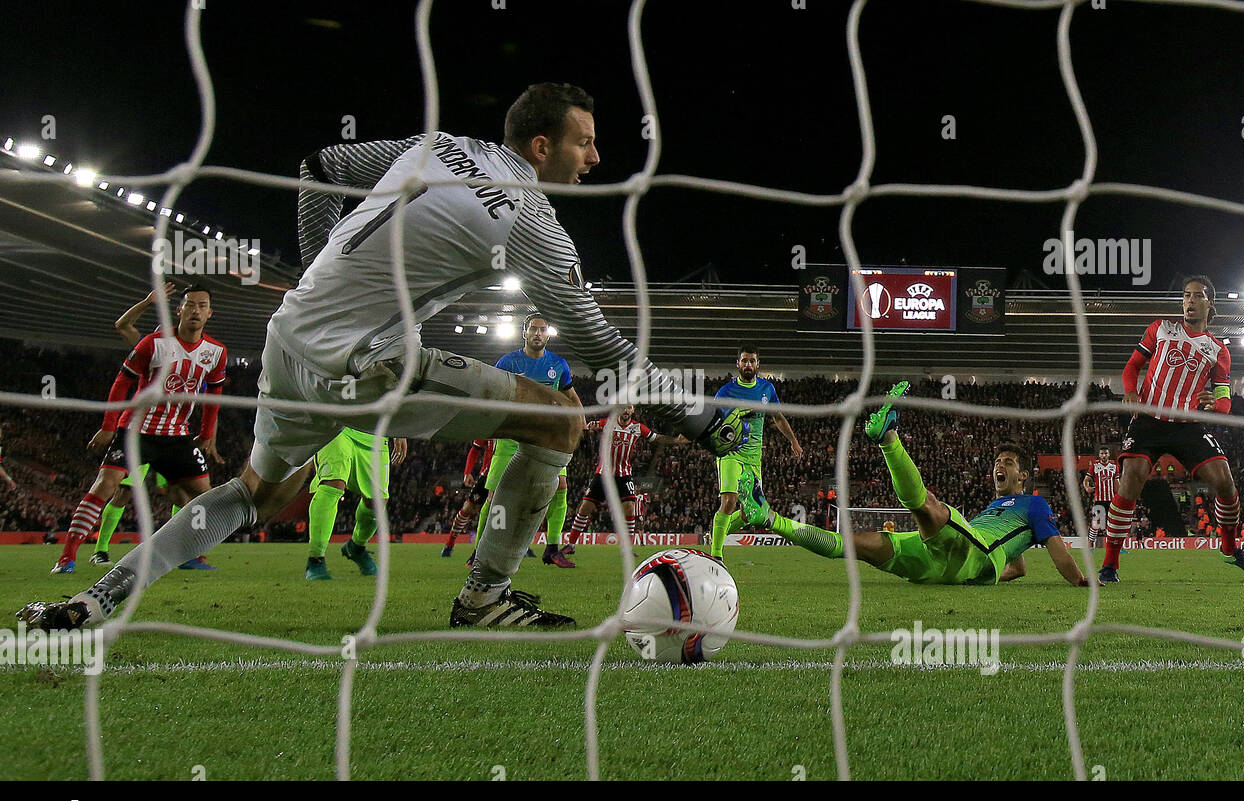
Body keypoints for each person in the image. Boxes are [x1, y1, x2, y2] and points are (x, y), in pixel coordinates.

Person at [19, 82, 746, 631]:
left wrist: (313, 273)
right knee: (561, 423)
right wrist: (700, 418)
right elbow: (602, 351)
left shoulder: (431, 144)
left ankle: (95, 599)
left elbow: (319, 165)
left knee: (254, 495)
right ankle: (484, 596)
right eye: (585, 142)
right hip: (369, 364)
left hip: (290, 335)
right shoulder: (529, 217)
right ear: (540, 147)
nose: (596, 157)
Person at [737, 382, 1099, 587]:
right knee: (854, 544)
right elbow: (1017, 568)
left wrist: (1080, 580)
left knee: (931, 506)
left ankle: (888, 439)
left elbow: (1056, 547)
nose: (998, 466)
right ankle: (769, 518)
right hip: (939, 565)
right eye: (996, 461)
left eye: (1008, 463)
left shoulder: (1034, 505)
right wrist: (987, 574)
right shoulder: (992, 510)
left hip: (973, 554)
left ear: (1023, 477)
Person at [48, 285, 225, 574]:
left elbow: (213, 397)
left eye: (202, 306)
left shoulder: (216, 352)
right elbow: (121, 382)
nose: (195, 310)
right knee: (108, 486)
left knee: (201, 496)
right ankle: (67, 557)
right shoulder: (151, 343)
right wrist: (108, 426)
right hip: (137, 430)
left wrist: (207, 435)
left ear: (209, 313)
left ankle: (190, 554)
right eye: (190, 305)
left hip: (177, 434)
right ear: (178, 310)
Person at [1101, 276, 1244, 583]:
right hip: (1149, 420)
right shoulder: (1161, 328)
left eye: (1197, 296)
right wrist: (1131, 391)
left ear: (1209, 304)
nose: (1189, 301)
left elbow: (1224, 401)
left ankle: (1230, 550)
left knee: (1225, 484)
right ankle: (1110, 564)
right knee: (1131, 480)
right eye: (1186, 296)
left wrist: (1213, 407)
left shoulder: (1218, 350)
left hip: (1188, 427)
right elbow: (1131, 366)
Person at [472, 312, 577, 568]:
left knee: (561, 487)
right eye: (534, 329)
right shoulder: (508, 362)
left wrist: (579, 419)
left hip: (545, 438)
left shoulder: (558, 365)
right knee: (494, 497)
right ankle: (478, 550)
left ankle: (552, 548)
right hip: (511, 436)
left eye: (543, 330)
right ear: (524, 333)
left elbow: (571, 397)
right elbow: (491, 392)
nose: (538, 334)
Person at [710, 344, 802, 561]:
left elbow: (778, 418)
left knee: (749, 513)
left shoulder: (767, 389)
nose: (748, 364)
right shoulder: (726, 392)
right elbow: (712, 420)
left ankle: (715, 534)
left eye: (752, 361)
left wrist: (793, 441)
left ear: (758, 364)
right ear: (738, 364)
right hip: (730, 453)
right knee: (730, 500)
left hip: (753, 457)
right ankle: (716, 555)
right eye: (744, 361)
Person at [563, 406, 682, 549]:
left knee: (630, 508)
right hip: (602, 475)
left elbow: (657, 438)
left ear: (633, 410)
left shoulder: (638, 428)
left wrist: (677, 440)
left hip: (624, 476)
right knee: (584, 508)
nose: (626, 410)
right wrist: (588, 427)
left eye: (629, 408)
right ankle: (570, 544)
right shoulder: (607, 423)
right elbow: (588, 426)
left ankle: (628, 547)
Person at [304, 428, 408, 580]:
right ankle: (316, 559)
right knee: (333, 484)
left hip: (374, 434)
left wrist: (400, 429)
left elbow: (394, 403)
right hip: (337, 426)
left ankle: (357, 548)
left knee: (377, 502)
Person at [441, 439, 493, 559]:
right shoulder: (491, 426)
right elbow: (475, 449)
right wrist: (467, 472)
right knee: (469, 508)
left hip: (509, 474)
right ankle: (450, 543)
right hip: (487, 475)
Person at [1082, 445, 1118, 548]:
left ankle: (1116, 546)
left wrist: (1120, 495)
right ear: (1099, 455)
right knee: (1096, 522)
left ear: (1109, 454)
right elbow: (1086, 480)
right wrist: (1087, 487)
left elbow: (1117, 483)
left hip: (1111, 500)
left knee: (1113, 523)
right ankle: (1090, 544)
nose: (1104, 455)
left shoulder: (1114, 467)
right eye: (1102, 454)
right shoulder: (1094, 466)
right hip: (1099, 500)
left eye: (1106, 453)